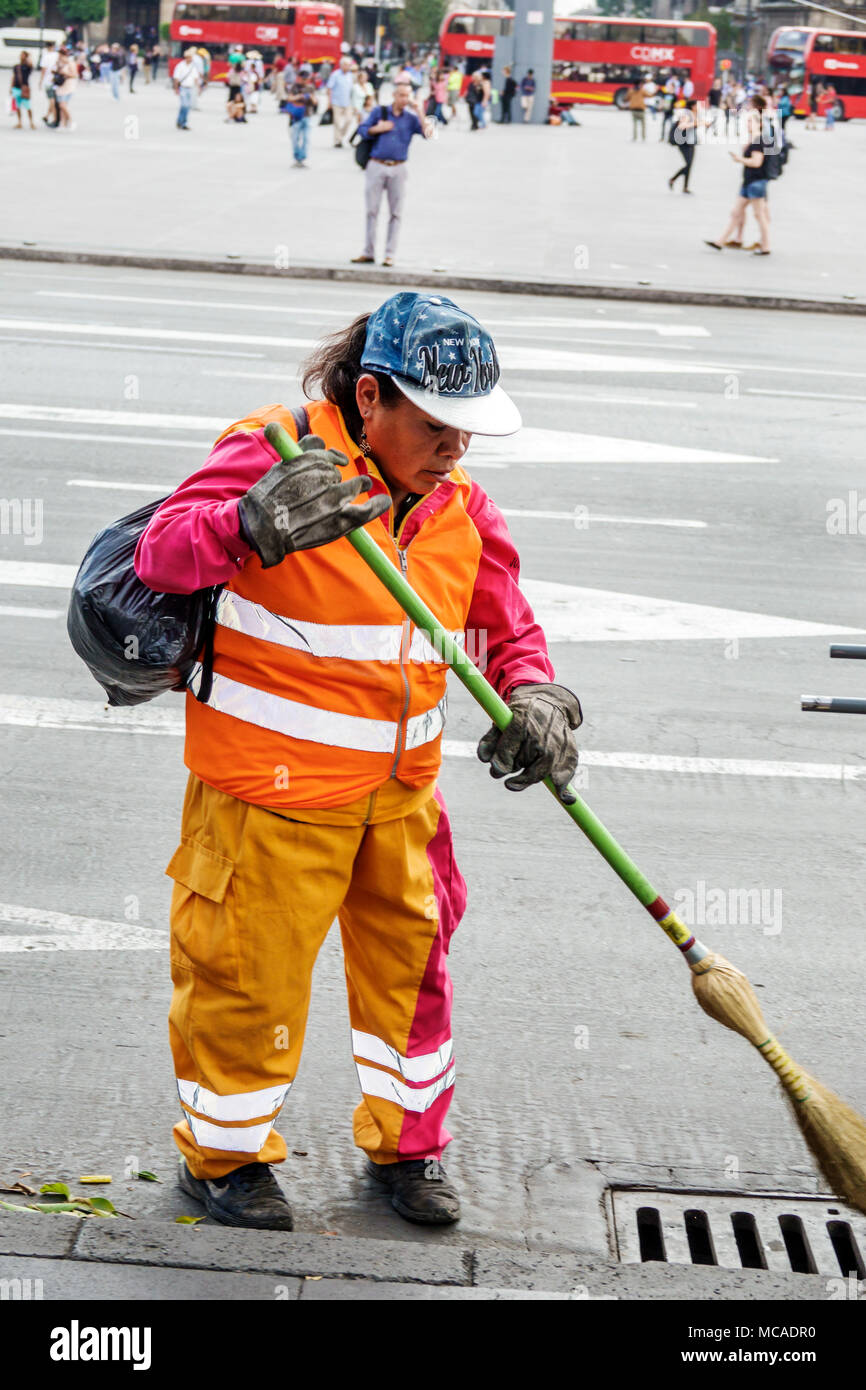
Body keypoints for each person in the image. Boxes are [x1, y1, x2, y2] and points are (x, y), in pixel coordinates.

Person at [132, 290, 582, 1231]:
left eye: (469, 431)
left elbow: (507, 622)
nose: (457, 449)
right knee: (245, 986)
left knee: (413, 986)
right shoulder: (275, 450)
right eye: (438, 426)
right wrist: (247, 527)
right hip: (269, 801)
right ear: (371, 397)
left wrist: (539, 692)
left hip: (403, 802)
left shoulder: (457, 501)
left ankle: (408, 1150)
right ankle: (225, 1160)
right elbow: (162, 558)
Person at [351, 79, 432, 267]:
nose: (405, 99)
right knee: (372, 210)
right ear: (394, 95)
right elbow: (362, 130)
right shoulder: (380, 112)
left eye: (408, 96)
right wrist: (377, 128)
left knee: (396, 213)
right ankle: (368, 251)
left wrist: (420, 110)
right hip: (376, 164)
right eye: (401, 95)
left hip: (399, 167)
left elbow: (428, 133)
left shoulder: (411, 118)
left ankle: (389, 254)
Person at [705, 96, 771, 256]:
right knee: (736, 212)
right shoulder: (755, 139)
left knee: (759, 215)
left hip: (756, 181)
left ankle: (765, 246)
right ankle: (720, 241)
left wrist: (739, 159)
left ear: (759, 124)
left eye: (750, 122)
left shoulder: (759, 141)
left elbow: (756, 162)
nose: (747, 124)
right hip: (749, 181)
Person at [667, 98, 699, 193]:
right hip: (683, 143)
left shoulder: (693, 114)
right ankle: (673, 179)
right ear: (693, 106)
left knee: (689, 165)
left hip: (691, 142)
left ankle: (685, 187)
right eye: (696, 105)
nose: (698, 107)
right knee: (688, 164)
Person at [287, 74, 315, 166]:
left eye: (306, 79)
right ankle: (297, 156)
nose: (304, 81)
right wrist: (299, 96)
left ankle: (302, 158)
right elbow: (289, 98)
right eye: (303, 79)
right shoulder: (294, 87)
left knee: (306, 138)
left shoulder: (310, 88)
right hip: (296, 117)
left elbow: (315, 101)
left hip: (307, 115)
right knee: (295, 138)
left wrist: (310, 97)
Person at [327, 54, 355, 146]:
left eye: (349, 65)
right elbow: (329, 88)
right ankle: (337, 141)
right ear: (341, 65)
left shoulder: (351, 76)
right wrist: (329, 102)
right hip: (336, 102)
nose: (347, 67)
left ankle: (340, 136)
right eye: (345, 64)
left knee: (349, 120)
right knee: (337, 122)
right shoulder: (335, 75)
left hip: (348, 102)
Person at [173, 47, 199, 130]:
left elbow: (195, 78)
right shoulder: (180, 66)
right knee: (185, 105)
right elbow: (176, 78)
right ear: (186, 57)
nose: (190, 59)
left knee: (186, 106)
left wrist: (198, 88)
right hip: (183, 88)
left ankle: (181, 121)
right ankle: (182, 122)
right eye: (189, 57)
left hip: (190, 88)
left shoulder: (193, 67)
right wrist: (176, 88)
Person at [11, 51, 35, 130]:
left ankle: (31, 122)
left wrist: (29, 57)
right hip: (16, 87)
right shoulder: (16, 66)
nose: (21, 56)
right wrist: (11, 87)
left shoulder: (27, 67)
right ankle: (19, 122)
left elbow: (31, 65)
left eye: (23, 55)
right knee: (18, 106)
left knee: (27, 106)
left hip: (25, 88)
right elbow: (14, 77)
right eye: (21, 55)